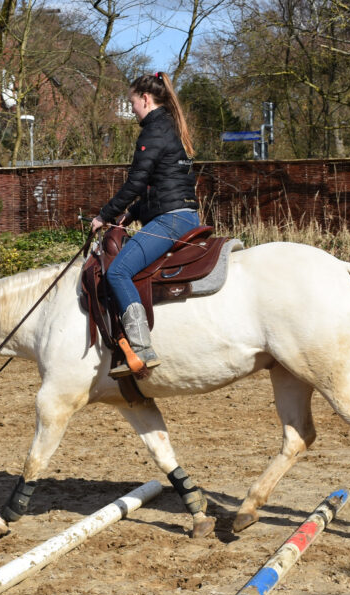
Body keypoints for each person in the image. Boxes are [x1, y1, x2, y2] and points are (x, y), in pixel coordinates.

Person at [91, 72, 200, 378]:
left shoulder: (153, 131)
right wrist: (133, 213)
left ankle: (141, 348)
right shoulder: (172, 128)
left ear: (146, 99)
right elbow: (167, 184)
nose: (133, 109)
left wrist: (105, 216)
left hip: (171, 220)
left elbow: (136, 182)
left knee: (118, 271)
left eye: (133, 103)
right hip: (184, 214)